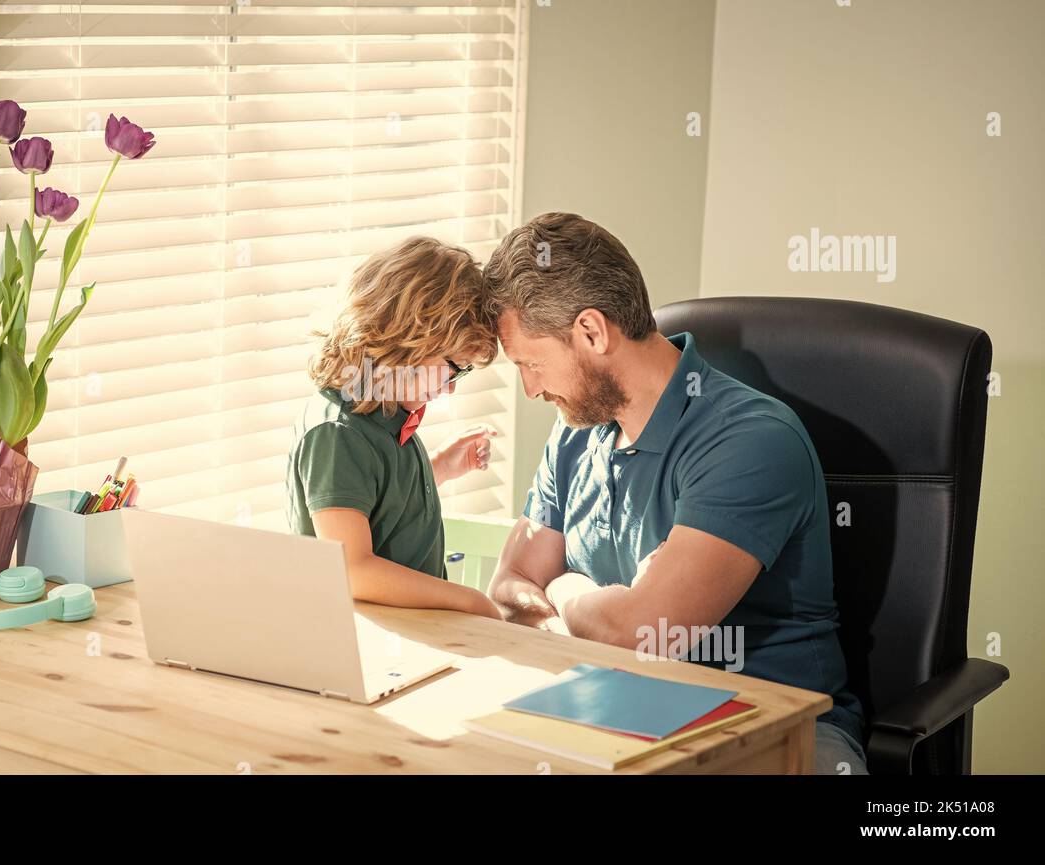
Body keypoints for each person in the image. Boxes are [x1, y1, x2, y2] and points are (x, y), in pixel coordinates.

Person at [480, 212, 868, 774]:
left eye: (531, 364)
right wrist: (602, 618)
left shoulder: (751, 439)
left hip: (768, 725)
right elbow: (511, 587)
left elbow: (645, 633)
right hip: (611, 710)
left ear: (592, 331)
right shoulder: (574, 432)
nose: (531, 388)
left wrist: (565, 588)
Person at [286, 237, 503, 619]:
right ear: (408, 338)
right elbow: (351, 569)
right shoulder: (338, 435)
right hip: (370, 641)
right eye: (454, 368)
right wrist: (468, 599)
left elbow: (378, 505)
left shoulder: (384, 414)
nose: (452, 386)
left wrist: (438, 468)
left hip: (408, 633)